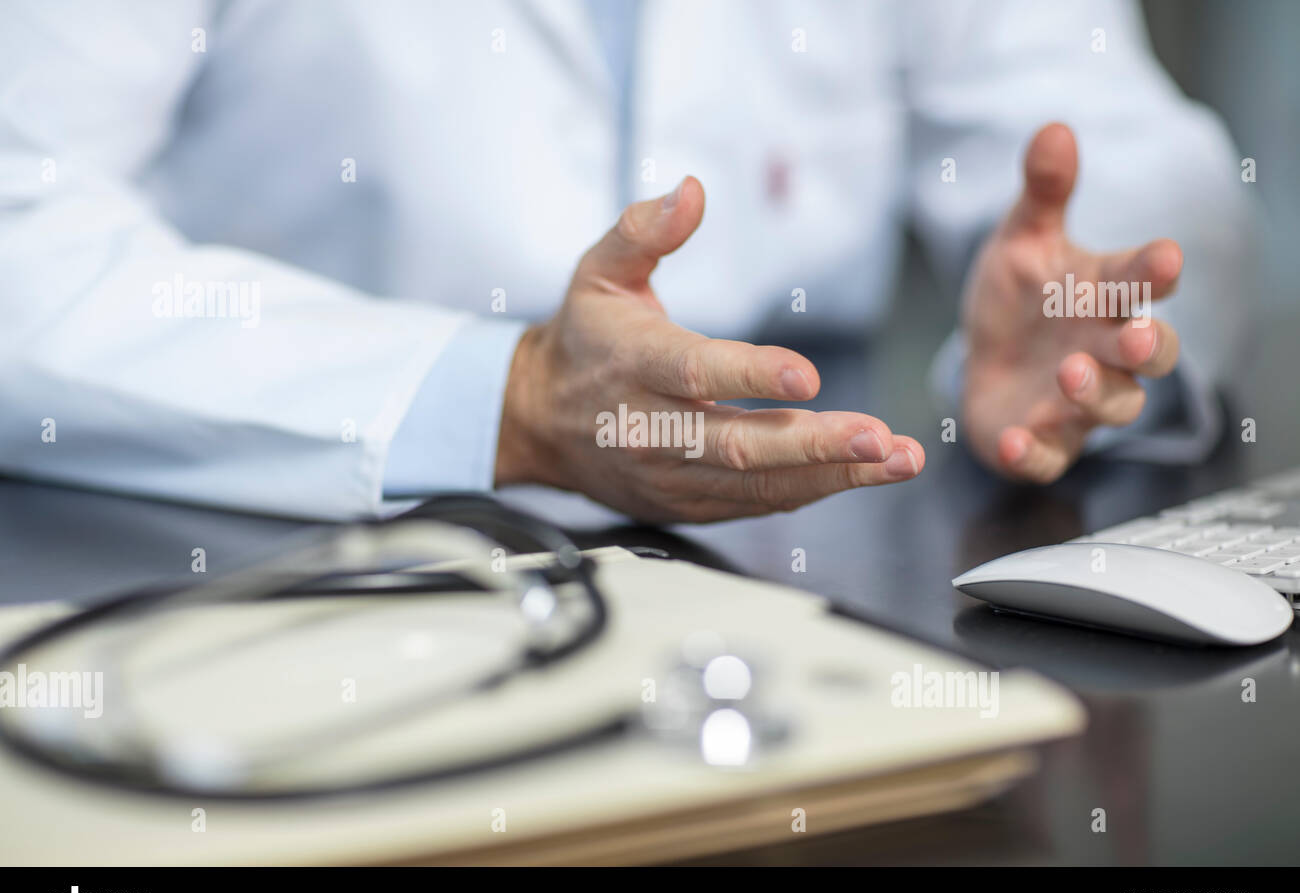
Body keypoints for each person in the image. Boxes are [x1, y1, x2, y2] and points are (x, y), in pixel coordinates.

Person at [0, 1, 1247, 521]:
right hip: (273, 516)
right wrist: (510, 398)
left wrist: (1094, 325)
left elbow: (1113, 139)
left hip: (809, 545)